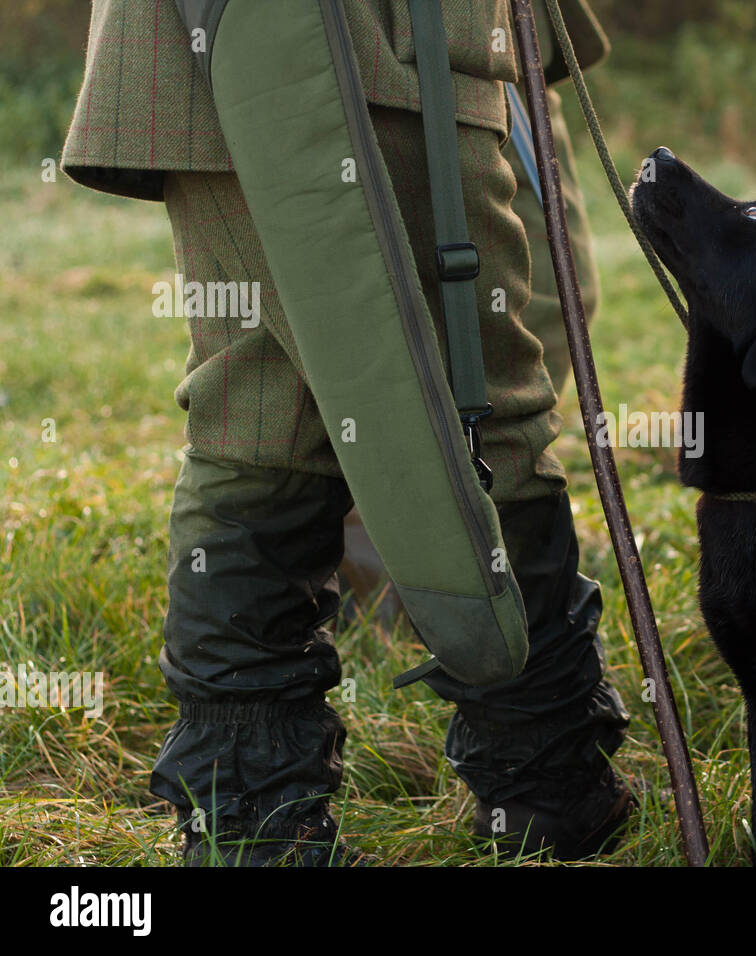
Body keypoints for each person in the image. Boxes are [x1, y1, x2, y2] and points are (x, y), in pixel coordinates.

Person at [60, 0, 631, 864]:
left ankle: (251, 821)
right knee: (482, 406)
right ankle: (545, 788)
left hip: (206, 48)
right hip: (374, 49)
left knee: (259, 420)